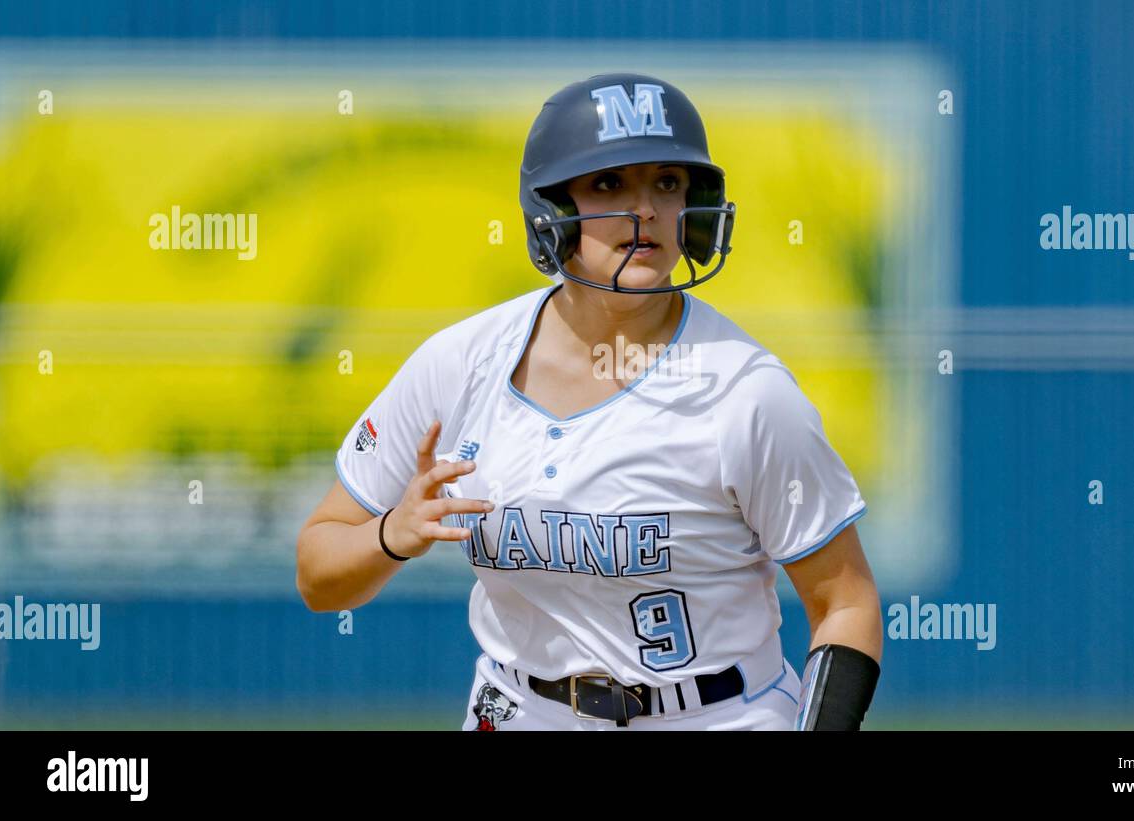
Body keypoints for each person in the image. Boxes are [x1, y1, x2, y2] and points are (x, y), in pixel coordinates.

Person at [296, 73, 883, 730]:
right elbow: (320, 571)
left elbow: (847, 603)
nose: (647, 210)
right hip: (517, 709)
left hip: (715, 715)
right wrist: (389, 535)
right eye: (609, 183)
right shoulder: (460, 364)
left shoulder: (746, 392)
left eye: (667, 181)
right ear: (553, 209)